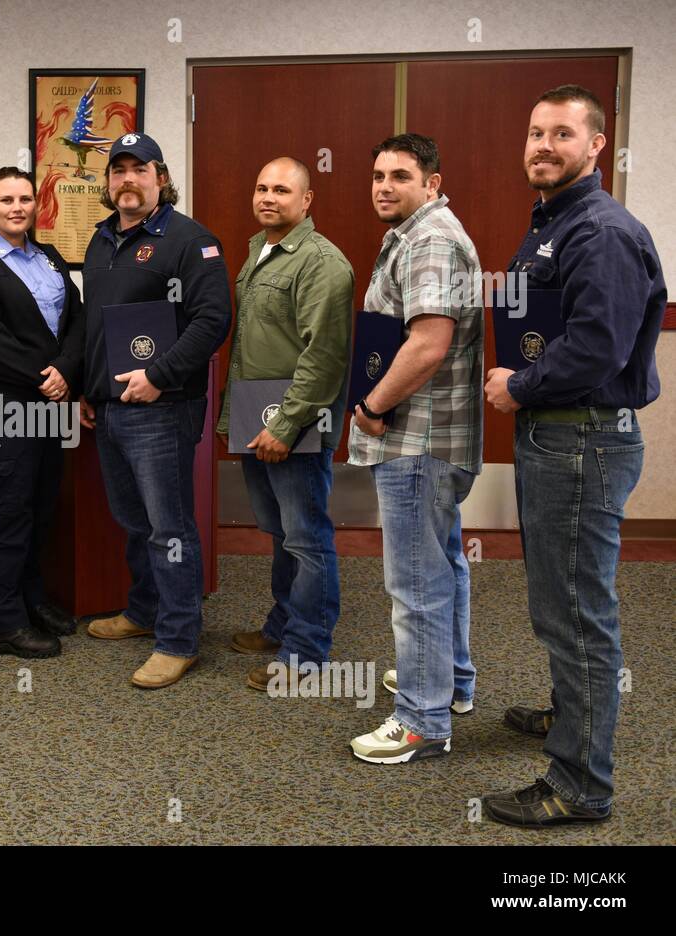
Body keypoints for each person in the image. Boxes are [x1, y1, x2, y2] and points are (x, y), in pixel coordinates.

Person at [481, 86, 666, 825]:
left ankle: (579, 785)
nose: (543, 145)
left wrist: (519, 386)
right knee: (560, 599)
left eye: (562, 133)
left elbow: (596, 348)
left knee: (579, 612)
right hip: (559, 435)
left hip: (582, 436)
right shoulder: (554, 222)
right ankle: (570, 714)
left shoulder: (602, 232)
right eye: (534, 132)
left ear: (597, 145)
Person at [347, 133, 484, 764]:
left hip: (416, 440)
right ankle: (448, 682)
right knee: (444, 563)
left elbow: (428, 343)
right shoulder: (417, 231)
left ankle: (422, 720)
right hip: (433, 440)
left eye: (400, 176)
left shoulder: (429, 238)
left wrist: (373, 408)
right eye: (378, 174)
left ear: (431, 182)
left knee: (416, 581)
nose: (384, 185)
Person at [78, 132, 232, 689]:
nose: (127, 180)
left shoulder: (191, 242)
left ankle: (179, 639)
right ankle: (144, 613)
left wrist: (157, 376)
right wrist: (90, 390)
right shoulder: (100, 240)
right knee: (134, 521)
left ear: (160, 178)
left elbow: (212, 322)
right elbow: (93, 323)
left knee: (170, 526)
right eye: (117, 171)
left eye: (138, 170)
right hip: (110, 407)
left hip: (162, 408)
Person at [215, 157, 354, 692]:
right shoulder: (260, 249)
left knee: (306, 537)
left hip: (293, 421)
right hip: (255, 411)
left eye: (281, 189)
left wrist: (287, 425)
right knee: (279, 532)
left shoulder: (321, 263)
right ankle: (283, 622)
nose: (268, 197)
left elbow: (324, 358)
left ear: (306, 200)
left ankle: (308, 650)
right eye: (260, 187)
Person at [0, 166, 85, 658]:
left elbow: (78, 317)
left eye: (25, 199)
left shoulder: (49, 257)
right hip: (2, 403)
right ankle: (1, 624)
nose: (16, 207)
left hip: (50, 401)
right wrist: (45, 375)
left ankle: (31, 600)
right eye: (6, 199)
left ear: (36, 205)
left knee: (38, 507)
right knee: (7, 510)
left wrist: (68, 368)